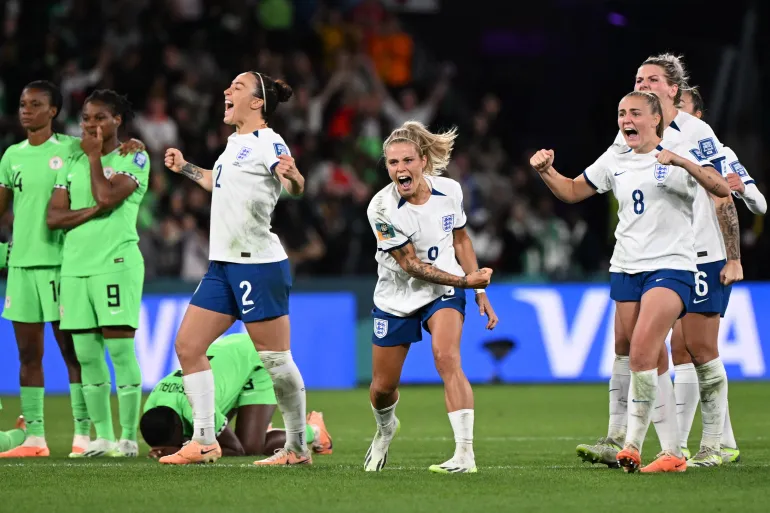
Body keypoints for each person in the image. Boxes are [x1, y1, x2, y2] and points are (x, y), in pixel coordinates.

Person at [531, 91, 730, 473]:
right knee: (638, 352)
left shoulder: (675, 154)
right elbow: (573, 191)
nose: (626, 119)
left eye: (635, 113)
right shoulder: (615, 159)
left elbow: (721, 189)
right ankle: (672, 451)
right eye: (622, 113)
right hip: (626, 266)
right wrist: (546, 172)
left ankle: (632, 445)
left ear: (656, 119)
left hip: (671, 266)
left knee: (642, 346)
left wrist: (684, 163)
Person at [575, 55, 747, 469]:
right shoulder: (629, 134)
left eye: (653, 79)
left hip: (698, 254)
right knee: (659, 350)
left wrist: (734, 256)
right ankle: (655, 444)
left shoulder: (695, 131)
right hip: (643, 258)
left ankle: (714, 444)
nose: (645, 83)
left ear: (674, 89)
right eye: (638, 78)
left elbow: (722, 191)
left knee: (697, 349)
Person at [160, 71, 308, 466]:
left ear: (258, 103)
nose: (227, 91)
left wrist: (294, 178)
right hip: (222, 265)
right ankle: (205, 440)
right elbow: (217, 183)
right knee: (189, 347)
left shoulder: (268, 140)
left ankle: (297, 447)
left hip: (258, 266)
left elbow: (292, 182)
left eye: (238, 88)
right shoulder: (234, 145)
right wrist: (186, 168)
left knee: (276, 362)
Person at [0, 81, 143, 458]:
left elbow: (109, 185)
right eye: (22, 103)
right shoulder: (23, 157)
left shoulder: (84, 151)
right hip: (45, 267)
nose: (25, 110)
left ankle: (102, 435)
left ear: (53, 112)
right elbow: (49, 215)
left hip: (86, 263)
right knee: (49, 354)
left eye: (35, 104)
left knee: (91, 353)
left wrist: (126, 147)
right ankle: (52, 438)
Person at [364, 121, 498, 474]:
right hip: (396, 297)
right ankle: (385, 428)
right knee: (381, 388)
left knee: (447, 358)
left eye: (407, 160)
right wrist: (467, 280)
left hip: (444, 291)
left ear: (423, 161)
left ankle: (465, 455)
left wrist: (477, 289)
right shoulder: (380, 208)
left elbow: (461, 240)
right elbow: (410, 265)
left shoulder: (450, 191)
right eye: (392, 163)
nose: (400, 169)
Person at [47, 89, 150, 458]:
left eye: (100, 117)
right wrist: (90, 212)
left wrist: (94, 159)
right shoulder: (72, 158)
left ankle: (127, 438)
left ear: (117, 120)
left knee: (121, 351)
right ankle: (102, 437)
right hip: (74, 268)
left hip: (115, 264)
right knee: (87, 355)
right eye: (86, 118)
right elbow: (54, 217)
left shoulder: (134, 156)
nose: (91, 124)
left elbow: (106, 197)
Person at [141, 334, 332, 459]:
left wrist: (179, 449)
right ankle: (258, 425)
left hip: (254, 359)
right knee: (242, 434)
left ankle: (314, 431)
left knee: (250, 447)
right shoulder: (152, 406)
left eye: (173, 439)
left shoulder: (195, 408)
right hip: (230, 360)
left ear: (178, 426)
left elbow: (234, 449)